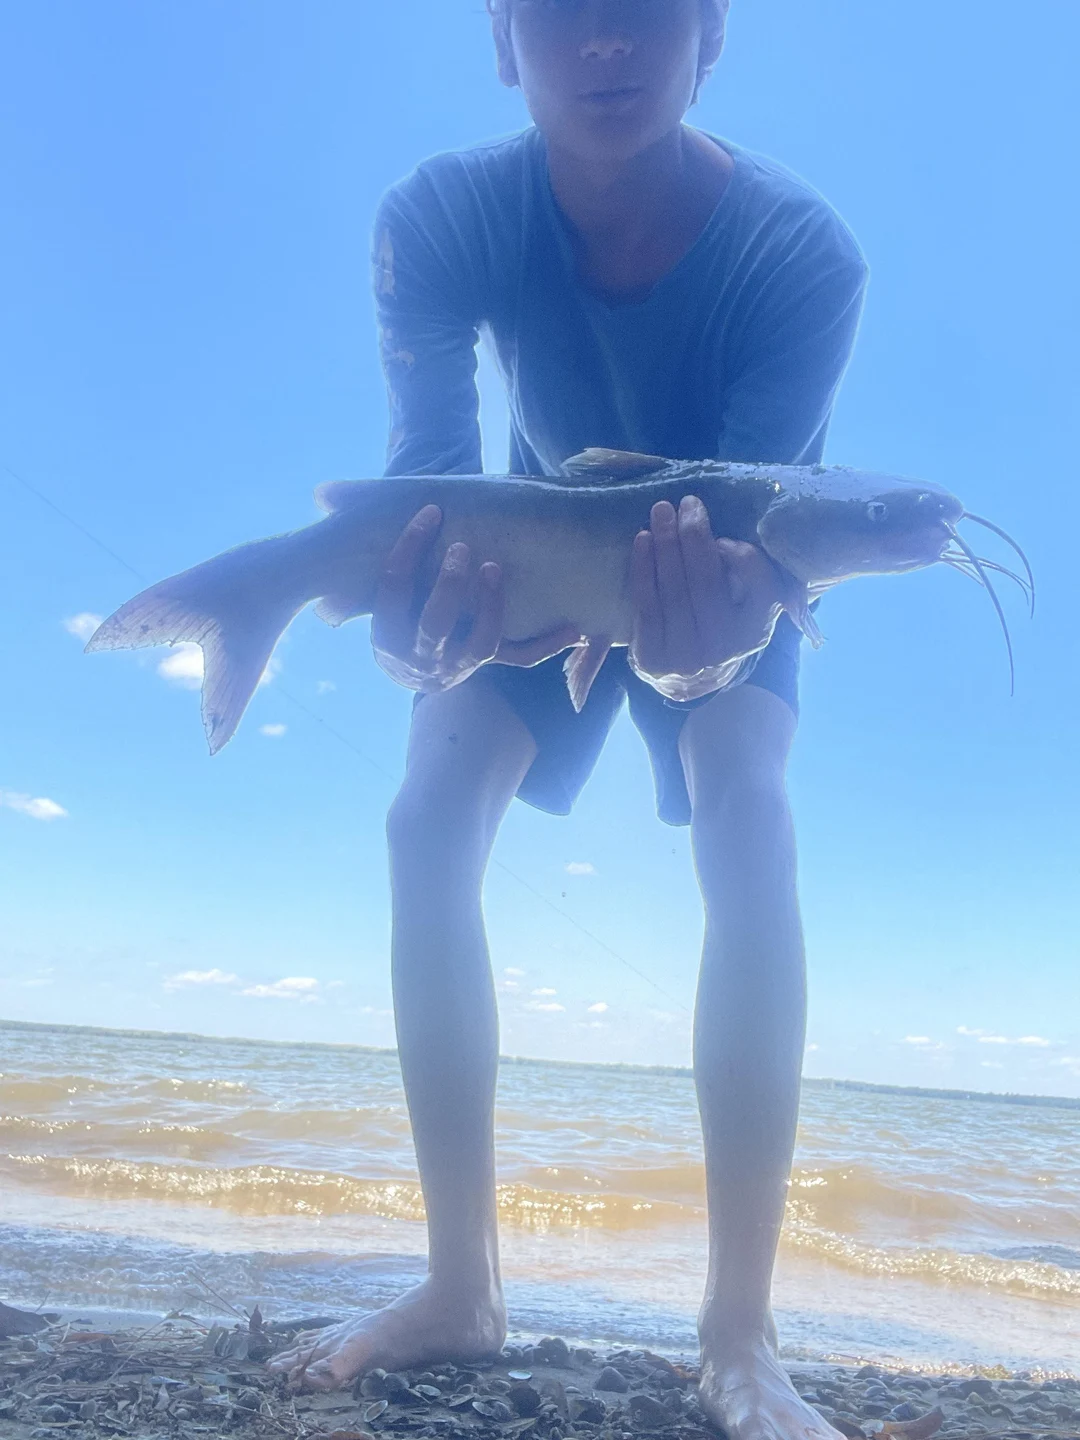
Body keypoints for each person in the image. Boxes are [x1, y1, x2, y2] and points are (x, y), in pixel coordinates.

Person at [269, 2, 867, 1435]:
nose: (605, 44)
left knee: (749, 817)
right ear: (502, 40)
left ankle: (740, 1336)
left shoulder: (804, 253)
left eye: (645, 8)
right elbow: (430, 475)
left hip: (724, 576)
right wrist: (421, 632)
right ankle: (458, 1288)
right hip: (535, 544)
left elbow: (765, 511)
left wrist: (702, 661)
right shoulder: (437, 215)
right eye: (561, 11)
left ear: (710, 34)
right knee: (426, 817)